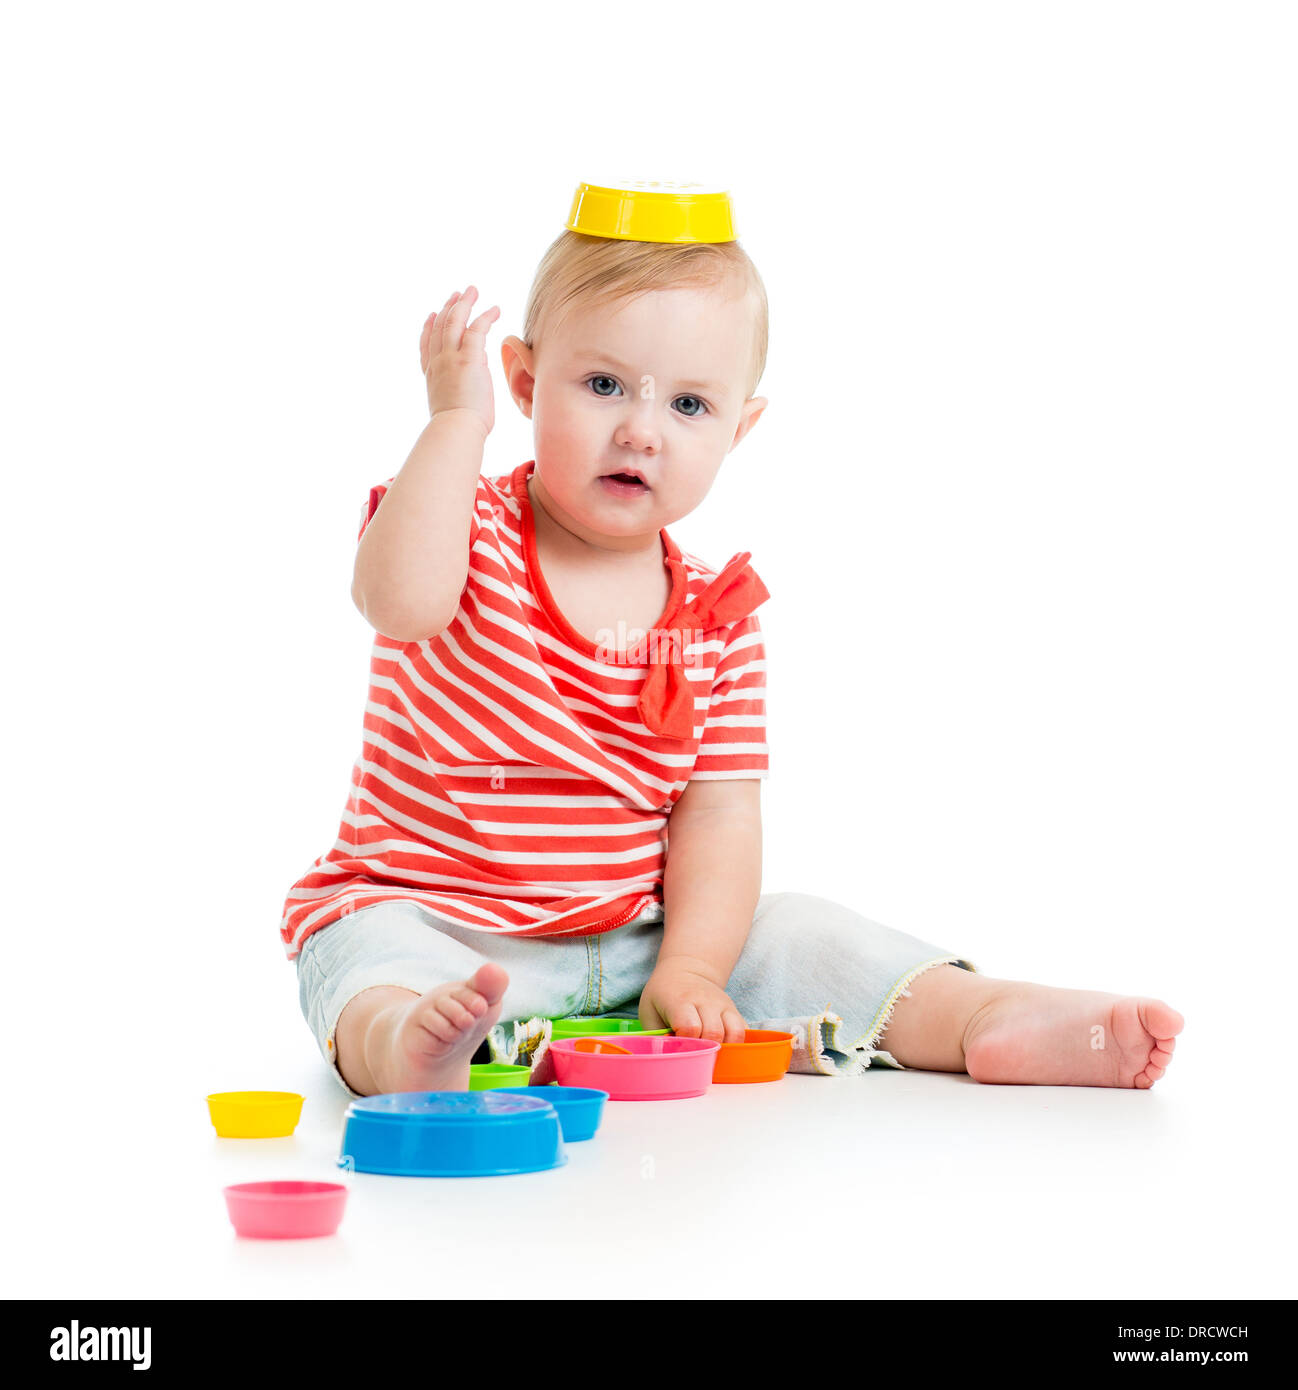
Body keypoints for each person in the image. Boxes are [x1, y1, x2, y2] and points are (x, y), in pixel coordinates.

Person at [281, 227, 1183, 1099]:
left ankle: (975, 1014)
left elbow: (716, 817)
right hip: (443, 925)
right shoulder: (459, 527)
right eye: (602, 384)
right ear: (522, 379)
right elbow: (398, 604)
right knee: (367, 953)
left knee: (795, 932)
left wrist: (693, 965)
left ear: (739, 427)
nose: (641, 431)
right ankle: (406, 1046)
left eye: (688, 405)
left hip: (640, 947)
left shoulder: (716, 615)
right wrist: (453, 424)